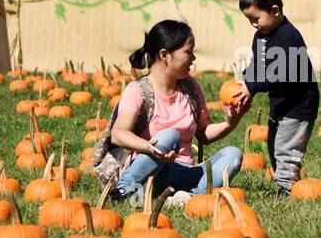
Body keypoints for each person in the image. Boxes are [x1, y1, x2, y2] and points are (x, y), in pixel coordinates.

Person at [105, 20, 250, 207]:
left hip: (183, 172)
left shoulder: (191, 88)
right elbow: (118, 134)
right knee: (169, 136)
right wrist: (149, 148)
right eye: (188, 52)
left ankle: (186, 198)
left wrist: (230, 123)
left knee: (233, 154)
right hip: (151, 170)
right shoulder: (138, 90)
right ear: (165, 55)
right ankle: (125, 190)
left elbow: (204, 134)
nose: (194, 58)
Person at [228, 0, 320, 196]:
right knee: (273, 145)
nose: (254, 24)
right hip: (279, 104)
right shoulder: (260, 37)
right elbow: (257, 65)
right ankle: (285, 180)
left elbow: (281, 74)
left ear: (275, 10)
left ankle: (286, 188)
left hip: (299, 105)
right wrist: (246, 80)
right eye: (249, 20)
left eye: (256, 19)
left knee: (286, 149)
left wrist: (253, 85)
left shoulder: (290, 37)